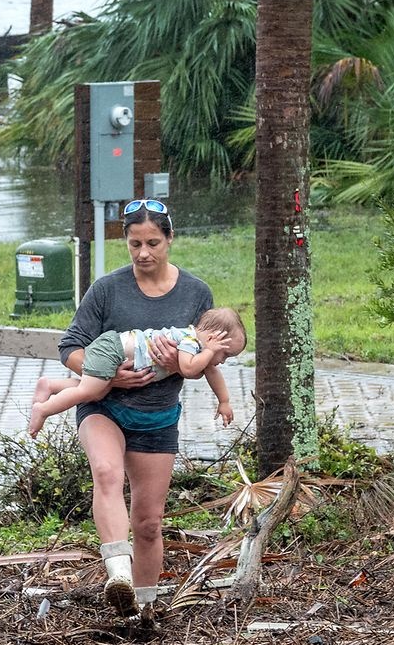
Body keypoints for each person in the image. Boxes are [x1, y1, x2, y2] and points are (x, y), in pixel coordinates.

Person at [57, 198, 230, 619]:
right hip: (105, 406)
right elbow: (70, 348)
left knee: (149, 523)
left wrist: (183, 367)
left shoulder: (196, 293)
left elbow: (204, 359)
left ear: (170, 239)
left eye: (153, 243)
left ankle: (143, 612)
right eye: (135, 244)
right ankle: (118, 573)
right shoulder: (107, 289)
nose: (143, 253)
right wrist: (110, 377)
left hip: (157, 418)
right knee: (106, 472)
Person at [27, 307, 246, 438]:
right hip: (113, 350)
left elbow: (211, 372)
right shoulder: (190, 341)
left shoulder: (200, 348)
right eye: (225, 354)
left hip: (114, 348)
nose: (222, 361)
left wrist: (224, 401)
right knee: (89, 391)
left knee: (97, 390)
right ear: (212, 339)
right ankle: (44, 409)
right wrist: (209, 353)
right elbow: (188, 369)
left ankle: (51, 386)